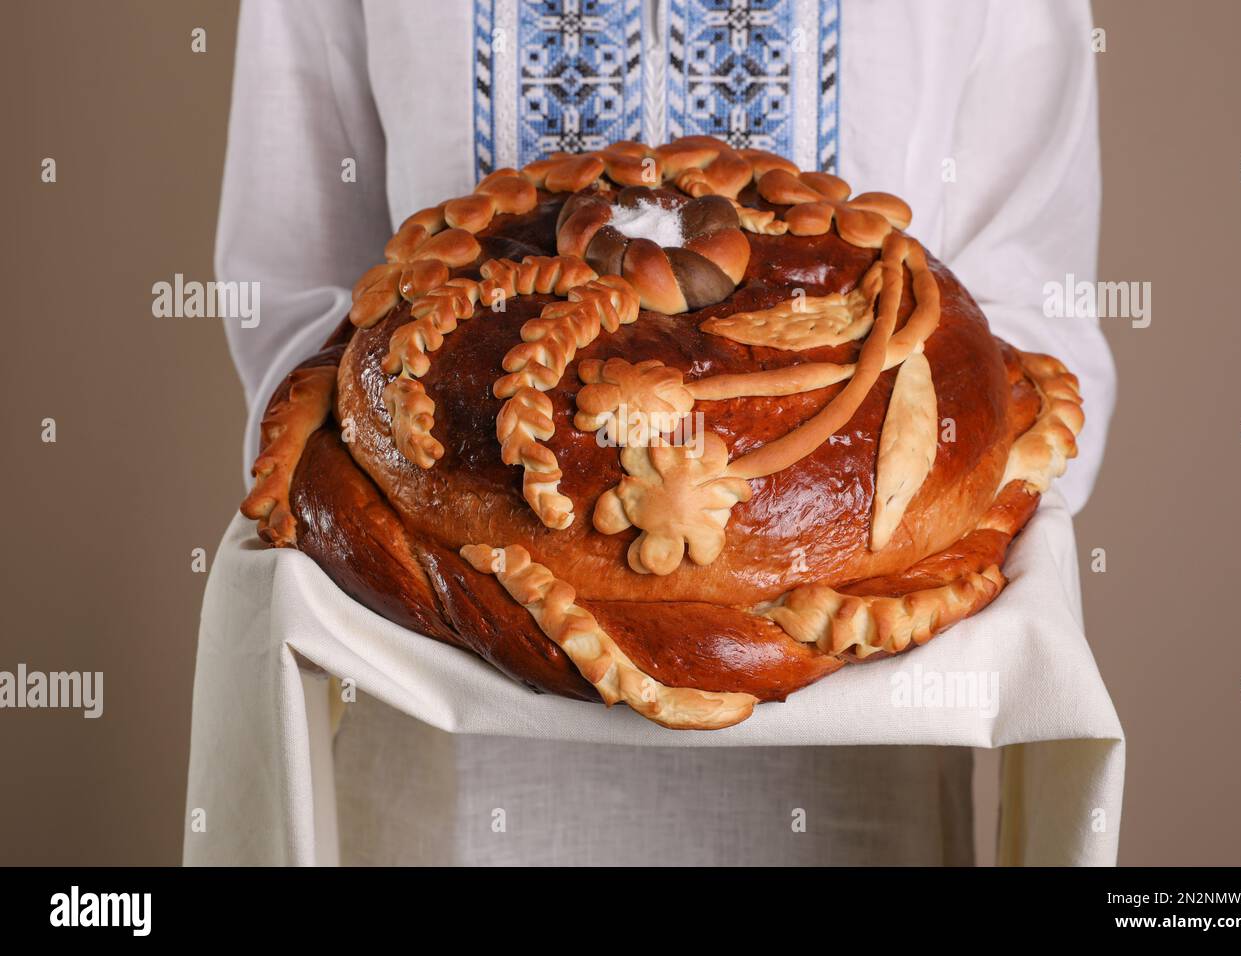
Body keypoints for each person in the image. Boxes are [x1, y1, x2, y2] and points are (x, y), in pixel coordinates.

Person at [216, 0, 1113, 865]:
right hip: (425, 707)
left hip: (870, 744)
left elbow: (1030, 302)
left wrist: (813, 575)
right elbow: (305, 302)